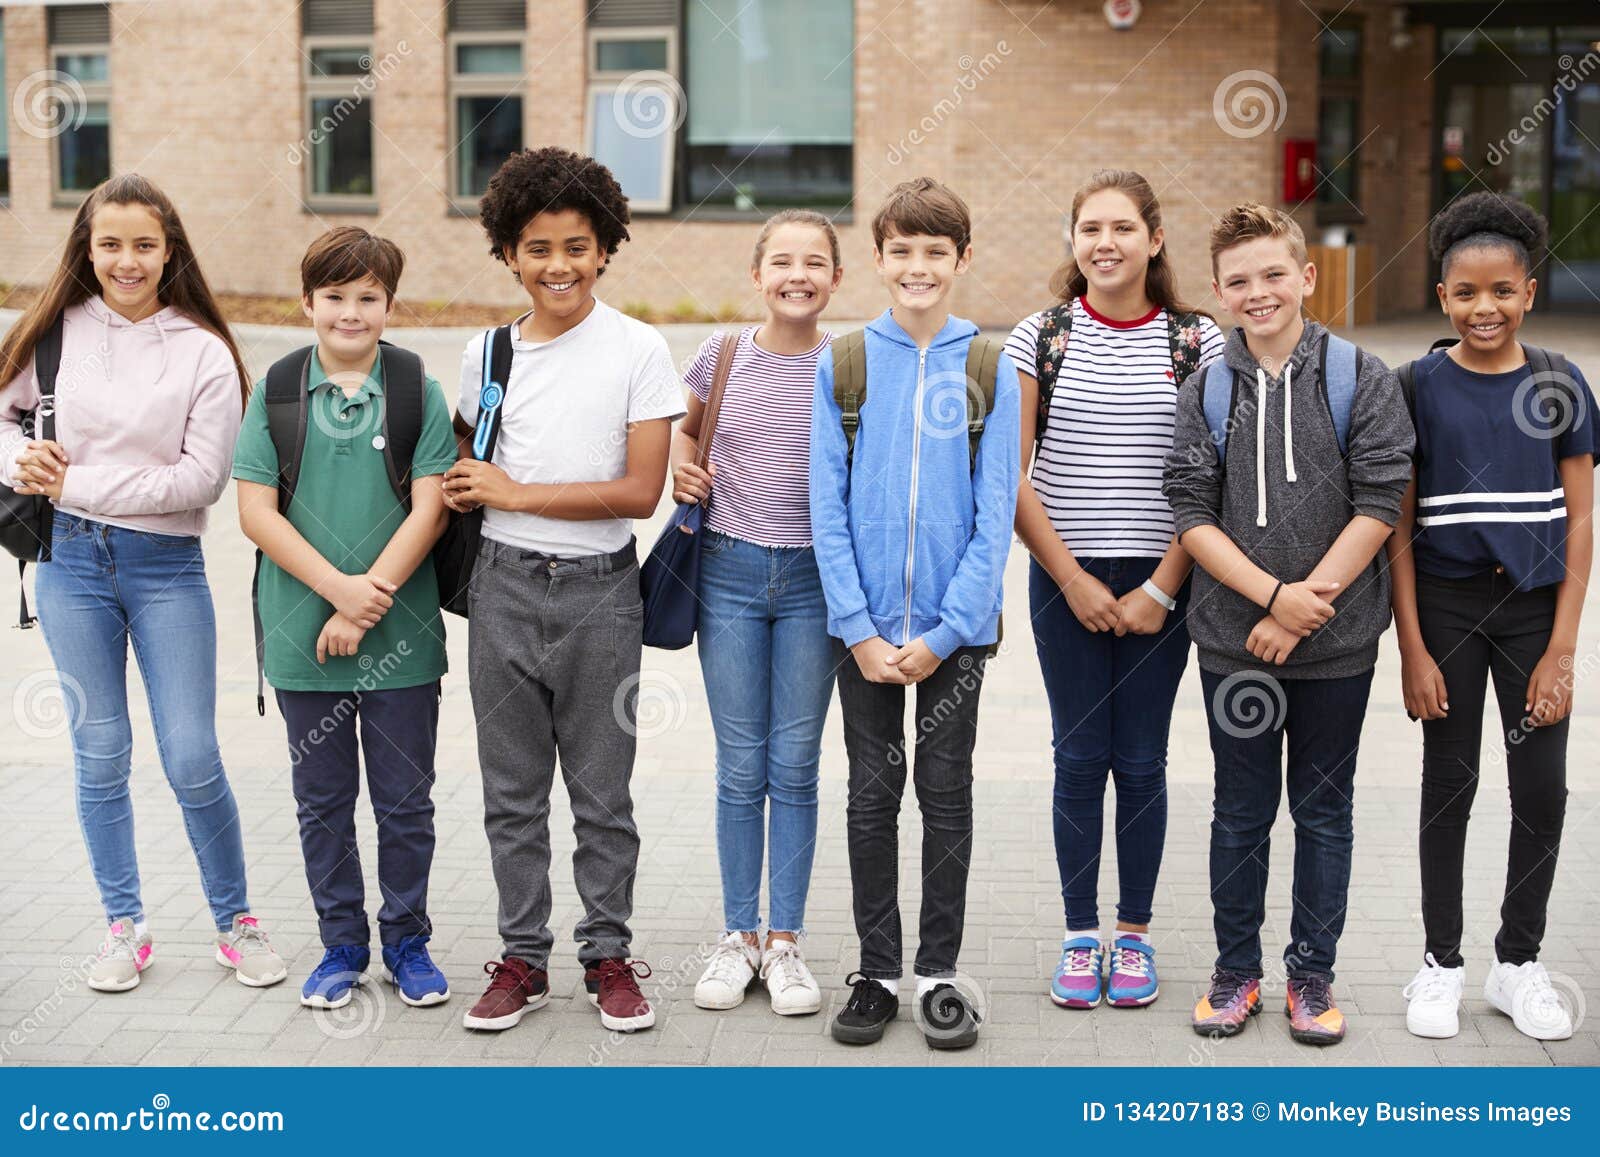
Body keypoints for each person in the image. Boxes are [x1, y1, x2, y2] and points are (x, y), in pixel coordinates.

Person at [0, 174, 285, 993]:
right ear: (87, 249)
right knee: (99, 753)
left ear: (170, 251)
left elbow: (198, 481)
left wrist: (74, 482)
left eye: (145, 244)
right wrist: (21, 460)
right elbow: (5, 420)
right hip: (69, 569)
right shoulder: (53, 333)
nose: (127, 261)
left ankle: (236, 922)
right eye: (110, 244)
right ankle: (123, 926)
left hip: (167, 571)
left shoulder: (203, 350)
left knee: (192, 755)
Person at [1163, 203, 1413, 1046]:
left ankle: (1312, 975)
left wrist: (1309, 605)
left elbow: (1382, 499)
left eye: (1275, 274)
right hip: (1235, 645)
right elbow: (1192, 513)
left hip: (1338, 646)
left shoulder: (1359, 376)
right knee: (1239, 811)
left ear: (1307, 277)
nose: (1259, 291)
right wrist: (1272, 598)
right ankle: (1237, 972)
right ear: (1220, 293)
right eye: (1240, 280)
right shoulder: (1208, 386)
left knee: (1323, 812)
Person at [446, 148, 683, 1035]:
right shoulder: (488, 351)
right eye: (538, 247)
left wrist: (515, 492)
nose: (559, 266)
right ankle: (522, 958)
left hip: (601, 594)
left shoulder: (639, 347)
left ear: (606, 247)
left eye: (577, 246)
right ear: (509, 251)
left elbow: (639, 491)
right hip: (501, 588)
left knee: (601, 791)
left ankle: (607, 954)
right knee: (511, 790)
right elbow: (464, 463)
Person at [810, 177, 1020, 1050]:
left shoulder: (989, 365)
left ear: (962, 259)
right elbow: (825, 502)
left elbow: (996, 507)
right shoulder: (846, 360)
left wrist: (943, 634)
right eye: (902, 250)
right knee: (870, 795)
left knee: (945, 793)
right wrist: (857, 627)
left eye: (937, 251)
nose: (919, 266)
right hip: (860, 633)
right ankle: (876, 969)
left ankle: (936, 971)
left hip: (953, 635)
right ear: (880, 258)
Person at [1005, 170, 1222, 1010]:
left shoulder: (1196, 341)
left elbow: (1211, 476)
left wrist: (1163, 586)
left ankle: (1132, 936)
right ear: (1072, 241)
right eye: (1090, 227)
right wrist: (1072, 579)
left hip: (1164, 579)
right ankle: (1077, 934)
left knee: (1142, 759)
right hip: (1066, 576)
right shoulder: (1039, 336)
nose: (1106, 242)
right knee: (1077, 757)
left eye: (1123, 228)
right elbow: (1012, 476)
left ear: (1154, 239)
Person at [1389, 192, 1594, 1043]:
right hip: (1445, 606)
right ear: (1442, 298)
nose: (1485, 309)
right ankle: (1440, 963)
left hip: (1534, 611)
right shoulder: (1416, 385)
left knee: (1540, 787)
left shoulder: (1558, 381)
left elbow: (1581, 520)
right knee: (1452, 782)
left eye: (1502, 292)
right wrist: (1410, 645)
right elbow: (1395, 525)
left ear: (1530, 292)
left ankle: (1518, 962)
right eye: (1467, 294)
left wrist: (1562, 650)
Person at [234, 227, 455, 1012]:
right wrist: (337, 591)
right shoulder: (279, 389)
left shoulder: (415, 387)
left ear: (390, 305)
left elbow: (431, 507)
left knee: (405, 801)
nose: (351, 312)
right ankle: (341, 947)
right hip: (302, 633)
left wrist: (369, 600)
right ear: (307, 302)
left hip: (401, 636)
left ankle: (407, 943)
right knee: (322, 802)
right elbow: (256, 513)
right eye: (335, 297)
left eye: (368, 297)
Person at [674, 211, 842, 1017]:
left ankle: (786, 945)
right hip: (730, 574)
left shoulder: (850, 364)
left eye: (815, 262)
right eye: (782, 261)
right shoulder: (723, 354)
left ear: (836, 279)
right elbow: (680, 436)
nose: (797, 274)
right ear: (757, 274)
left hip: (817, 582)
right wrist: (682, 471)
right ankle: (738, 936)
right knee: (742, 767)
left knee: (796, 766)